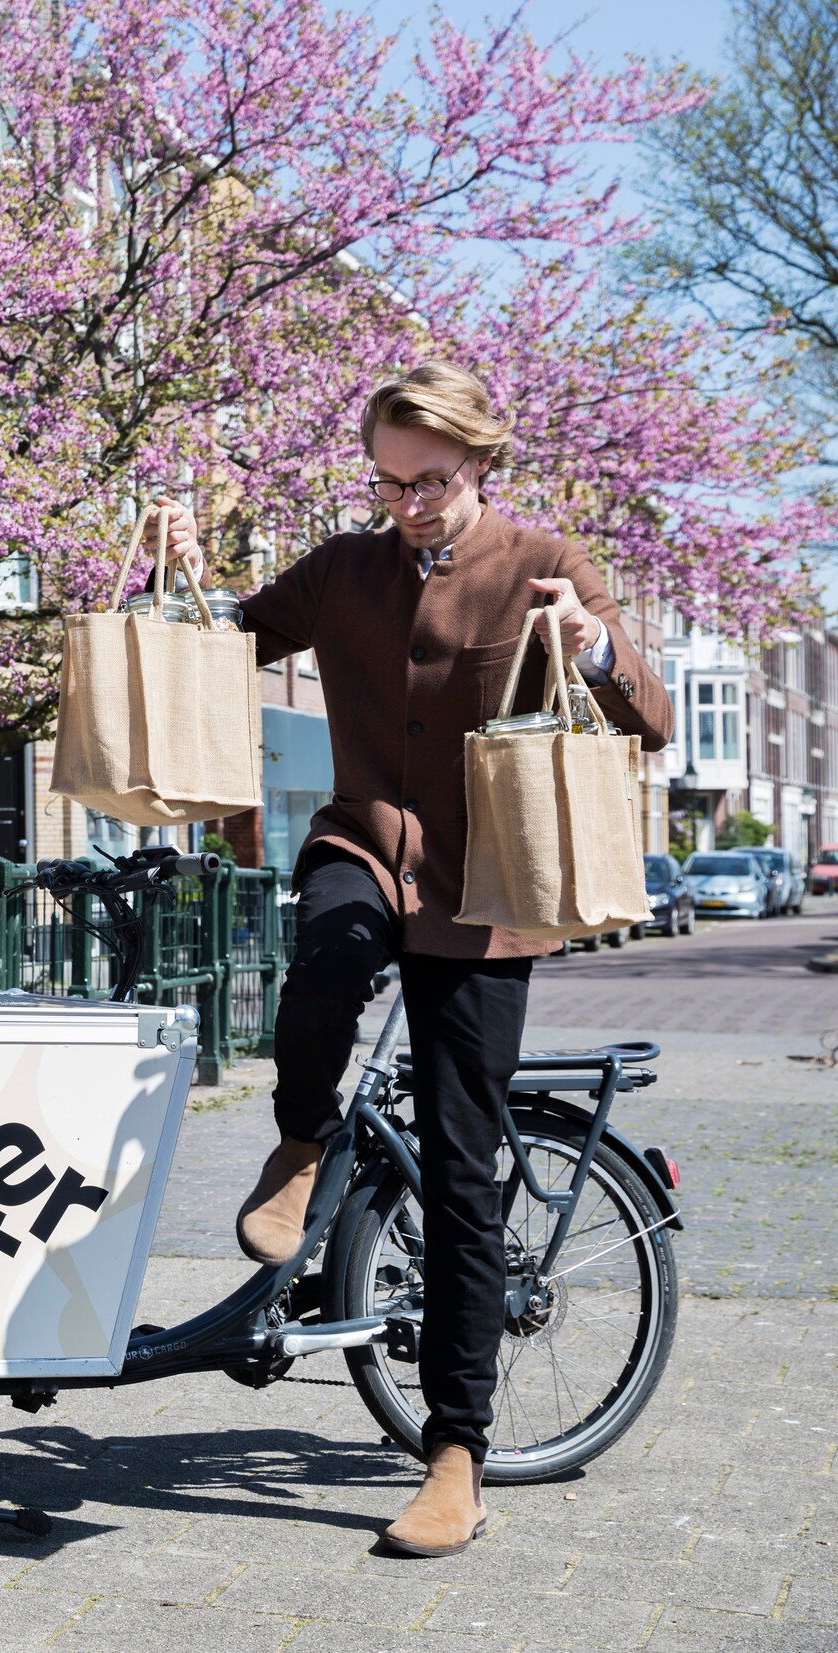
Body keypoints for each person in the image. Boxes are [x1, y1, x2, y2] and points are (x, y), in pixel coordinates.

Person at [158, 362, 670, 1557]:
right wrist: (173, 566)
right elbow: (217, 636)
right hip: (364, 842)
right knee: (325, 953)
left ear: (478, 464)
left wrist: (591, 647)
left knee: (458, 1161)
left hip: (488, 885)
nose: (408, 505)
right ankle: (295, 1144)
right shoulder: (342, 570)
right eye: (388, 483)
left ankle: (454, 1454)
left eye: (429, 482)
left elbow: (641, 714)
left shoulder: (541, 561)